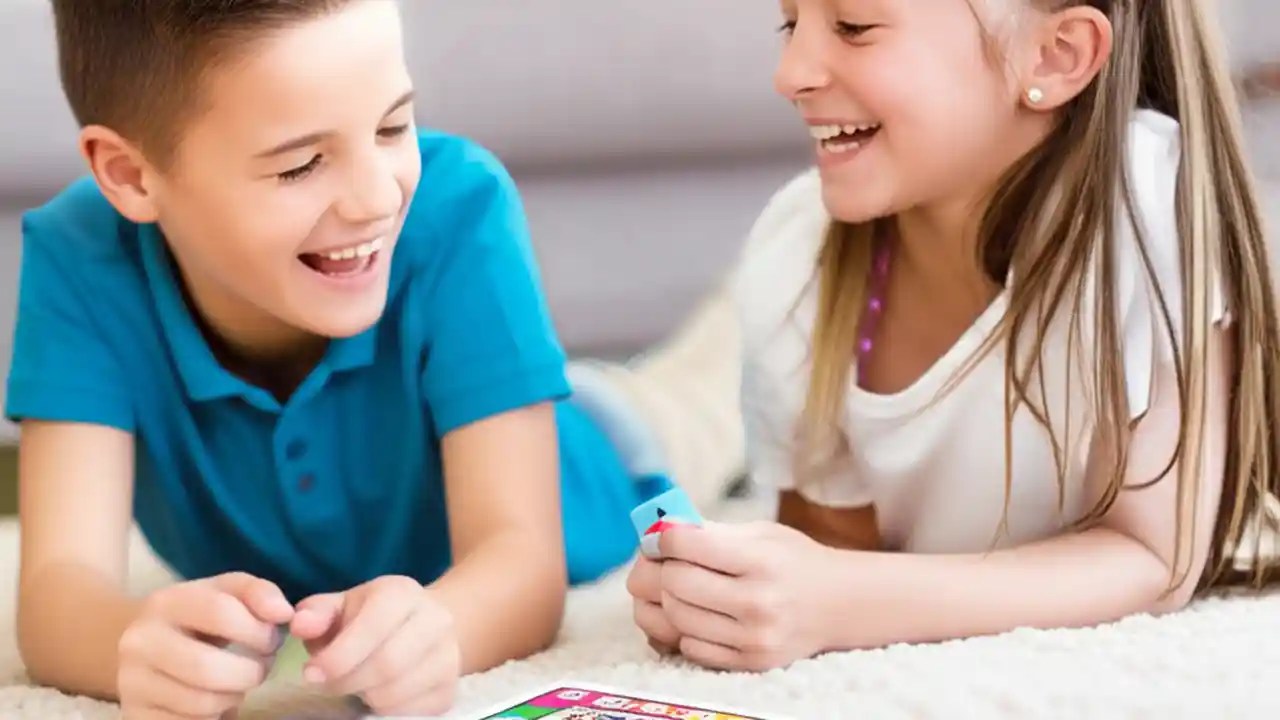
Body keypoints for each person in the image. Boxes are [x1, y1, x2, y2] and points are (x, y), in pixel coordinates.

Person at [6, 1, 744, 717]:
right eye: (299, 166)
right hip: (502, 408)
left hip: (604, 445)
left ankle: (777, 275)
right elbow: (58, 595)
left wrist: (440, 629)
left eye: (394, 126)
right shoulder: (80, 258)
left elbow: (523, 567)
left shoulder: (460, 204)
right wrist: (126, 644)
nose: (374, 198)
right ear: (132, 177)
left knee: (739, 371)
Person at [627, 0, 1280, 672]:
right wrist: (735, 598)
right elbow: (831, 557)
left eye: (854, 27)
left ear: (1056, 56)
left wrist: (843, 600)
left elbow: (1153, 558)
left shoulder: (1145, 208)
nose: (789, 73)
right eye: (790, 25)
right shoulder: (798, 253)